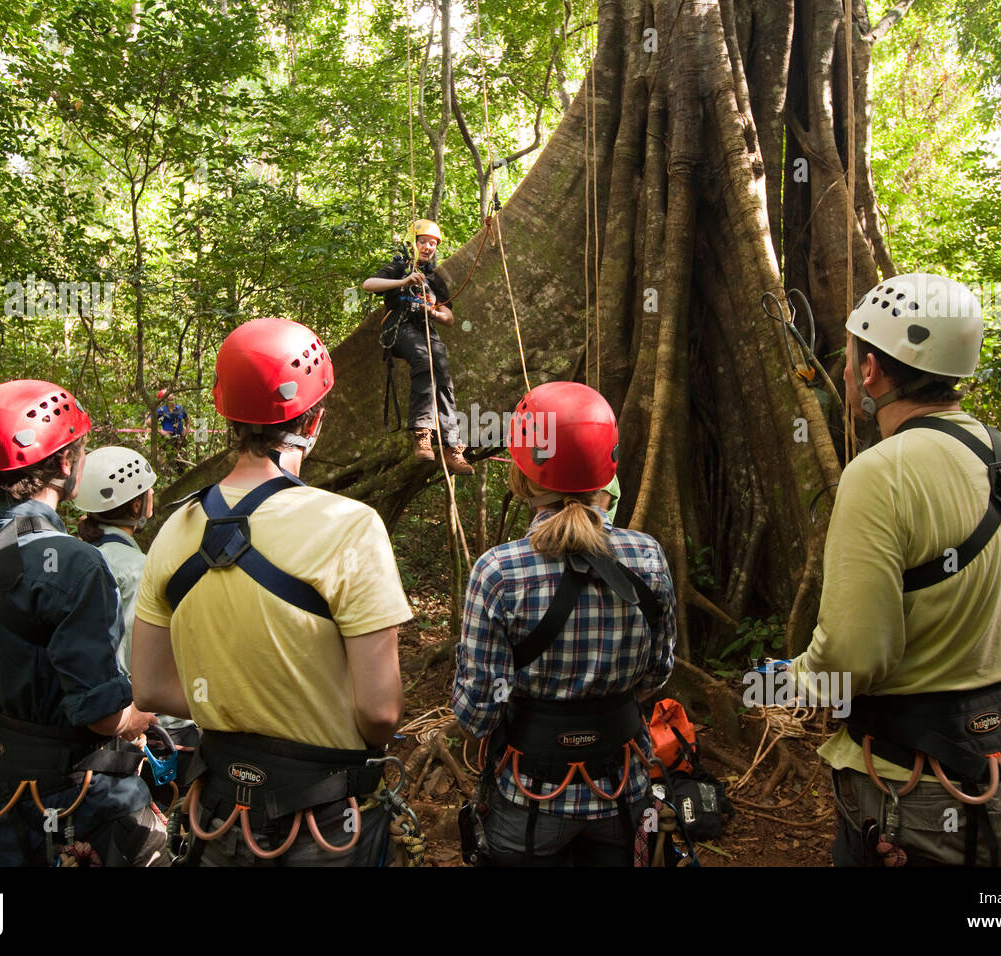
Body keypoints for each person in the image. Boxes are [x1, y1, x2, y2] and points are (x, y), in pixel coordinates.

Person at [785, 274, 1001, 866]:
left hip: (915, 792)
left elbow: (856, 657)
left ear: (871, 370)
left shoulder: (880, 472)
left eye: (855, 349)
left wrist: (792, 682)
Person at [130, 318, 412, 866]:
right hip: (321, 823)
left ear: (227, 414)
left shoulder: (176, 526)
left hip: (215, 814)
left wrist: (234, 700)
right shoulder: (349, 524)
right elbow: (380, 712)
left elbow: (150, 688)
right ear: (317, 419)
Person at [0, 380, 167, 867]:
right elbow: (103, 715)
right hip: (76, 804)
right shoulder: (77, 564)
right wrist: (148, 710)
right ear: (64, 465)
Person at [452, 381, 678, 866]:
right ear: (608, 469)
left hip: (529, 797)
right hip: (624, 790)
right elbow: (657, 672)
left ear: (521, 473)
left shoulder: (498, 572)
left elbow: (476, 714)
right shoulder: (648, 557)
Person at [75, 446, 200, 798]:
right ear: (135, 505)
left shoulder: (78, 559)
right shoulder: (139, 569)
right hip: (153, 730)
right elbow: (143, 658)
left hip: (97, 725)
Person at [362, 218, 474, 475]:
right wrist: (403, 282)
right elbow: (368, 285)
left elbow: (450, 319)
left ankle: (452, 447)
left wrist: (432, 311)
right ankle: (422, 433)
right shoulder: (398, 267)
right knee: (425, 361)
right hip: (400, 329)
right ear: (413, 243)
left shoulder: (435, 279)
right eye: (423, 242)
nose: (428, 247)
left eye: (433, 244)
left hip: (426, 330)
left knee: (443, 375)